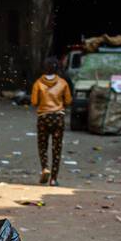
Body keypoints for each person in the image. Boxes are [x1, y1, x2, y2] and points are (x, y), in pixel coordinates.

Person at [30, 56, 72, 185]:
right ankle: (54, 179)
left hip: (43, 118)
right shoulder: (63, 83)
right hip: (58, 118)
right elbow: (68, 101)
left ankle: (45, 168)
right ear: (57, 68)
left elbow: (34, 102)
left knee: (43, 146)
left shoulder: (38, 83)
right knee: (56, 148)